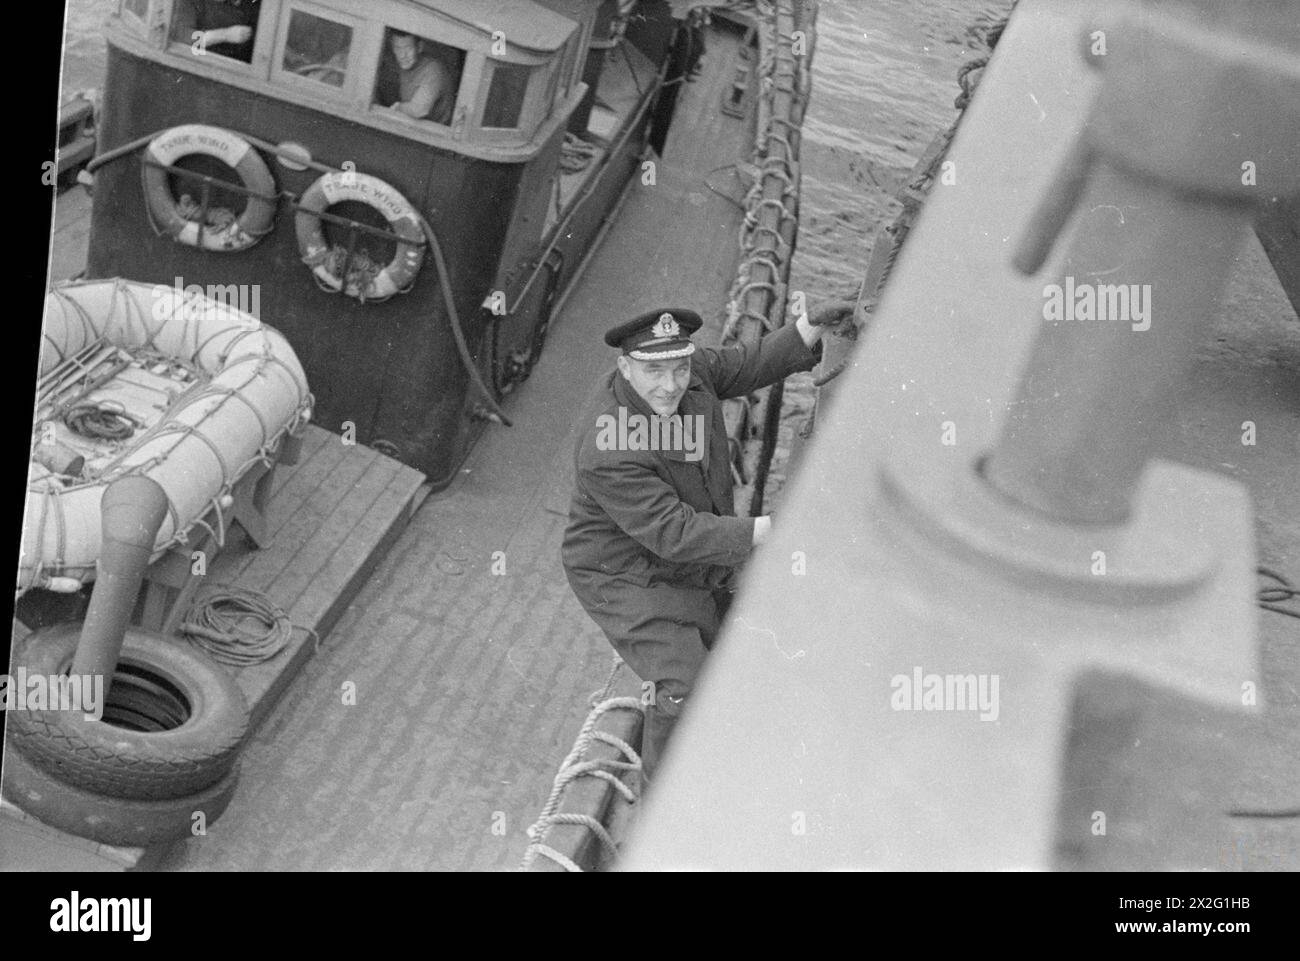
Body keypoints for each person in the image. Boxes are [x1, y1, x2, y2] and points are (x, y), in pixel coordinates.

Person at [561, 307, 826, 780]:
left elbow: (743, 364)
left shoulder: (690, 375)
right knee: (685, 682)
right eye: (653, 371)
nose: (669, 385)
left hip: (687, 550)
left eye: (678, 368)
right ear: (625, 368)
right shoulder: (609, 450)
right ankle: (660, 798)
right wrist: (778, 527)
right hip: (623, 572)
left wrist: (811, 327)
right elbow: (674, 532)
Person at [383, 32, 453, 124]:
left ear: (419, 47)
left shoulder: (433, 69)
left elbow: (419, 110)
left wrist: (397, 107)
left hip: (434, 133)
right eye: (398, 48)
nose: (402, 55)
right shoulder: (402, 64)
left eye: (408, 48)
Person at [174, 0, 261, 63]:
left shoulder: (251, 5)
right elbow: (184, 38)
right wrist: (226, 35)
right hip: (202, 66)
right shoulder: (190, 2)